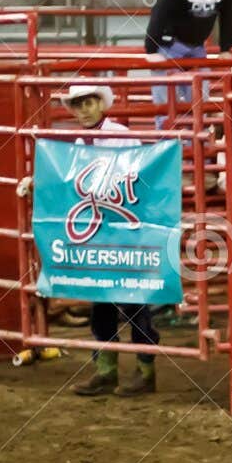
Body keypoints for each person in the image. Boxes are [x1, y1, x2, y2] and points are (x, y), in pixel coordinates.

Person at [21, 85, 155, 397]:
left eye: (88, 103)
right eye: (78, 105)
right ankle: (107, 370)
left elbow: (134, 176)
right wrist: (38, 185)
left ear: (100, 105)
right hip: (98, 233)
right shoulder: (78, 143)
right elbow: (68, 182)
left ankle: (145, 369)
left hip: (122, 230)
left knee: (133, 302)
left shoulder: (119, 136)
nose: (83, 110)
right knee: (103, 303)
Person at [145, 0, 232, 129]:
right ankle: (171, 153)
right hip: (168, 45)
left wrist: (226, 48)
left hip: (197, 47)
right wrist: (152, 49)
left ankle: (195, 156)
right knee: (166, 108)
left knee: (199, 106)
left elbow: (228, 11)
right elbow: (160, 10)